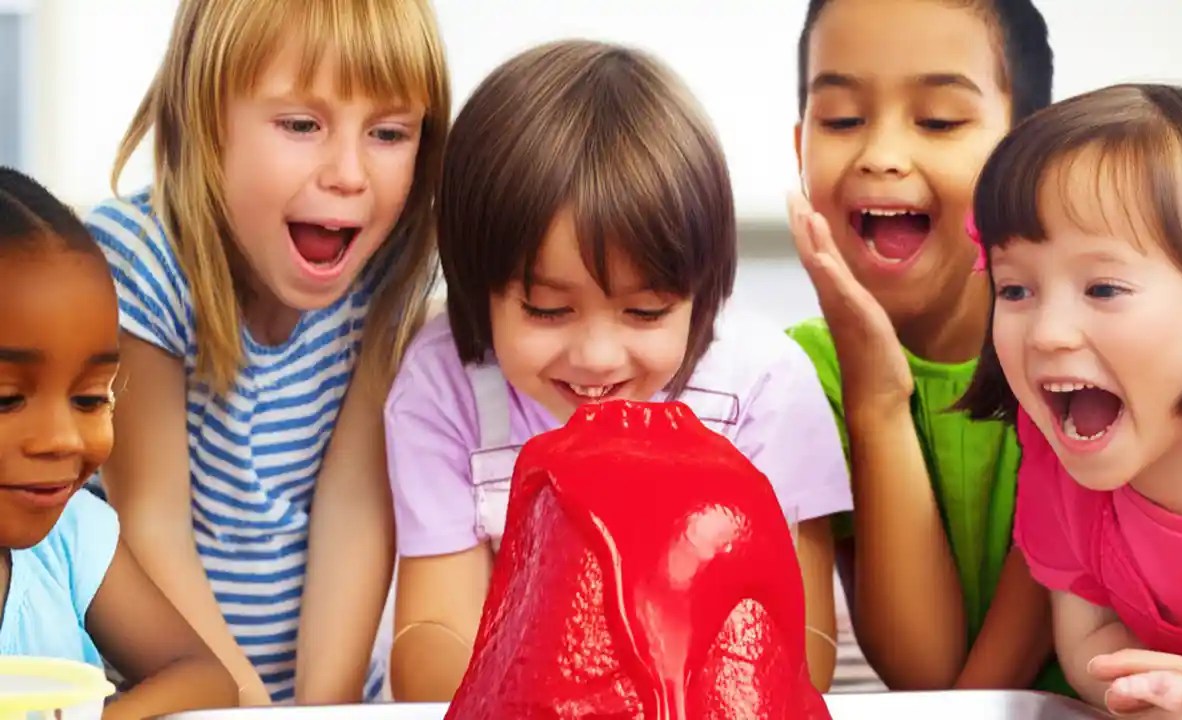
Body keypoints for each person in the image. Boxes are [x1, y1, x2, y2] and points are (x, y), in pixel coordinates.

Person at [385, 39, 852, 700]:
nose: (598, 357)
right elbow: (436, 640)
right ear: (473, 283)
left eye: (645, 311)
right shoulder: (445, 389)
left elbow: (800, 647)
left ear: (702, 286)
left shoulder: (765, 387)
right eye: (548, 310)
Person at [83, 0, 450, 703]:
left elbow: (355, 507)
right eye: (302, 125)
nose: (349, 173)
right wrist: (253, 714)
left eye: (389, 132)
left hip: (329, 694)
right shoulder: (142, 262)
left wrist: (321, 713)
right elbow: (153, 524)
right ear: (207, 117)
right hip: (167, 695)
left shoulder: (391, 268)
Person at [961, 83, 1182, 719]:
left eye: (1103, 287)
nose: (1047, 332)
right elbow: (1089, 640)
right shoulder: (1059, 450)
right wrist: (1156, 697)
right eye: (1016, 289)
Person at [785, 0, 1069, 692]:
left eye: (938, 120)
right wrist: (876, 399)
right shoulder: (800, 376)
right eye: (842, 119)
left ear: (1026, 151)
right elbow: (924, 674)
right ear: (799, 146)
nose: (881, 156)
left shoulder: (1073, 344)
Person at [0, 167, 237, 717]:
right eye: (7, 398)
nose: (62, 440)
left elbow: (203, 676)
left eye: (89, 399)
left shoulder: (70, 536)